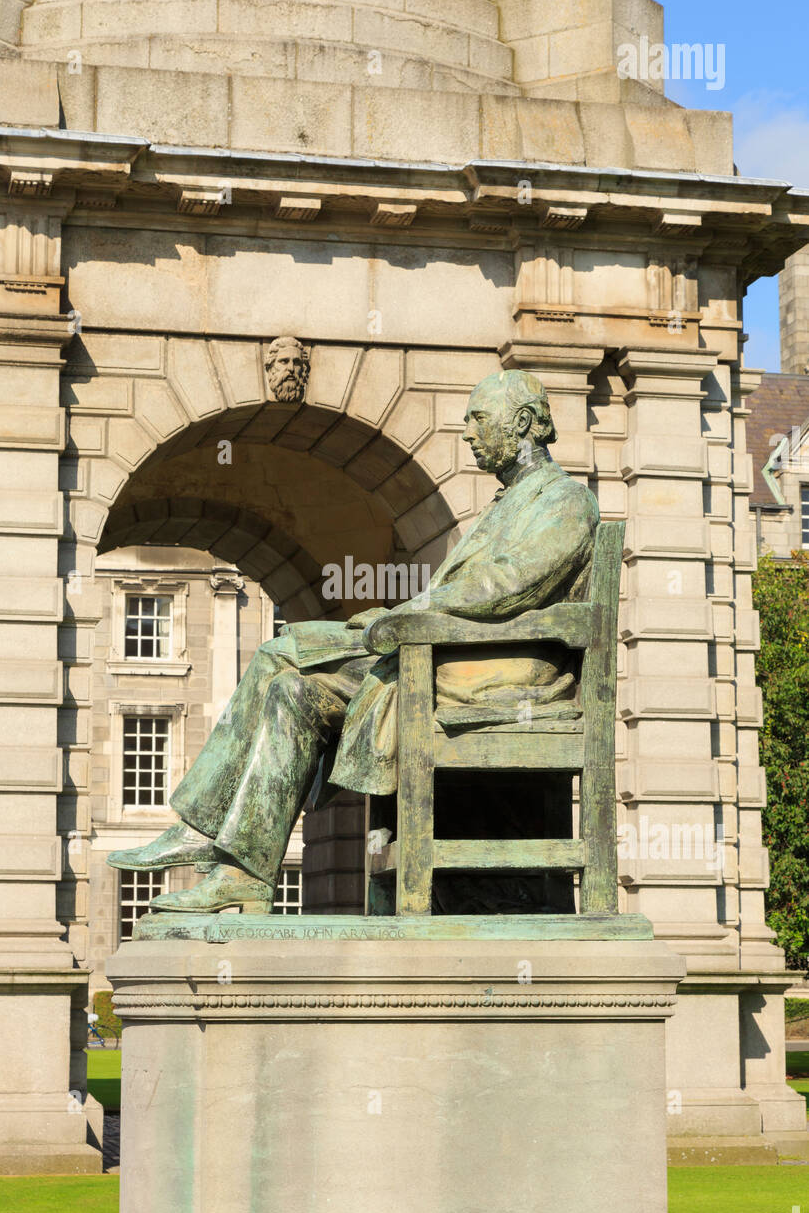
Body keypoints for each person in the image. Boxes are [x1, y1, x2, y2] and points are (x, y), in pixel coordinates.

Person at [107, 369, 599, 913]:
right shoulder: (506, 505)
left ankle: (200, 829)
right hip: (455, 650)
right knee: (291, 692)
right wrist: (404, 615)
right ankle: (243, 872)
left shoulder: (565, 501)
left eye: (479, 420)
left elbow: (505, 587)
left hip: (497, 672)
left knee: (278, 650)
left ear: (524, 423)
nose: (468, 434)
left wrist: (404, 613)